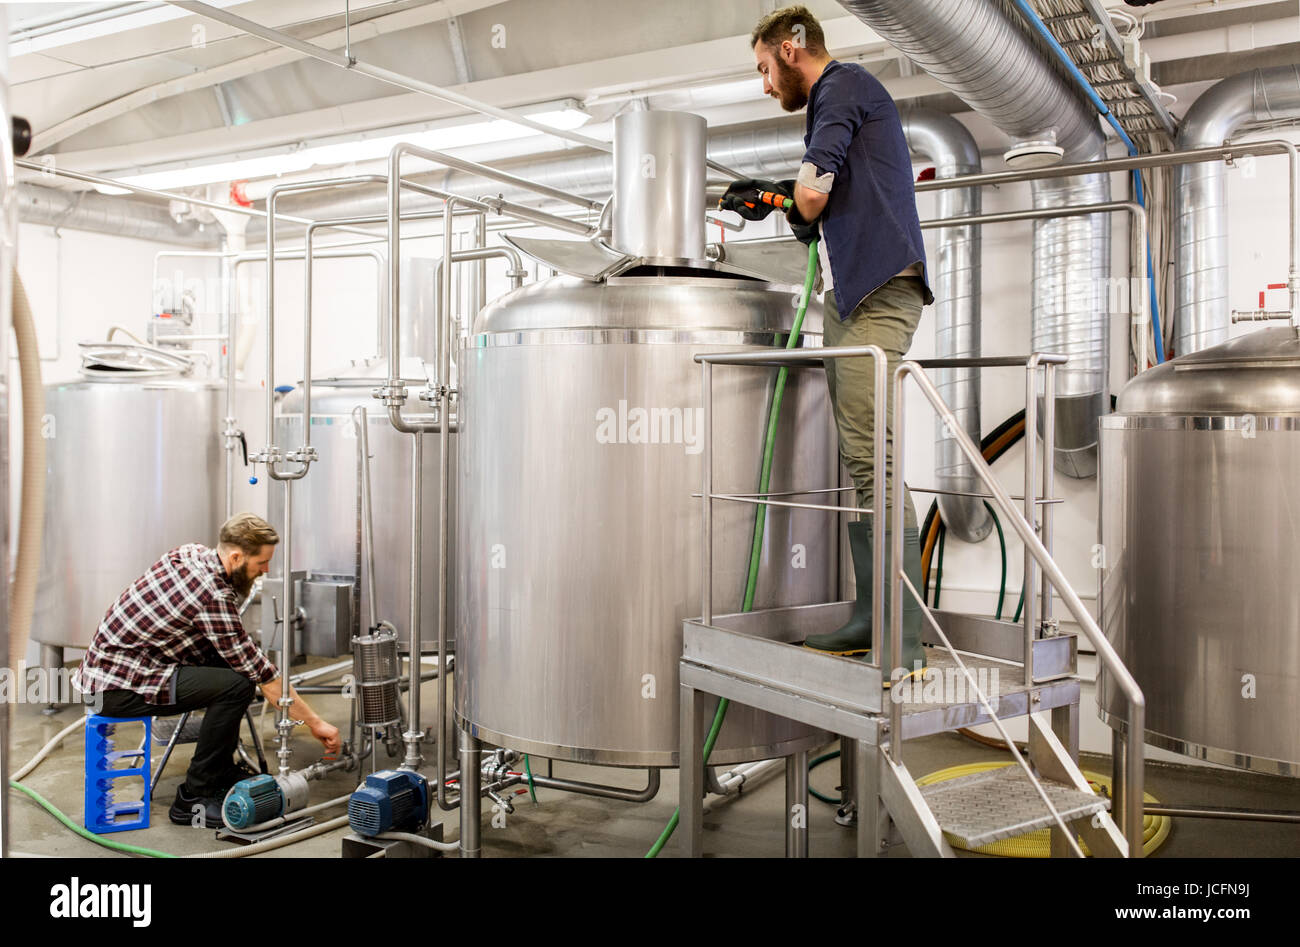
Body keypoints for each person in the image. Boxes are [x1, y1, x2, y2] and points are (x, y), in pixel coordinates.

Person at [722, 5, 933, 681]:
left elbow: (815, 195)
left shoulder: (840, 88)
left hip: (880, 295)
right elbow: (818, 204)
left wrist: (790, 199)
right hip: (852, 298)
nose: (763, 84)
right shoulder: (838, 101)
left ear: (792, 48)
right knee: (858, 455)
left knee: (874, 456)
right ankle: (872, 617)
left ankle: (903, 639)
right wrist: (785, 203)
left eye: (762, 67)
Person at [72, 513, 341, 827]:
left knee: (234, 672)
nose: (266, 571)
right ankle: (193, 797)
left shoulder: (191, 554)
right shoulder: (212, 593)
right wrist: (315, 723)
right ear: (236, 556)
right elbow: (263, 675)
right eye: (261, 563)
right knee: (239, 684)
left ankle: (220, 769)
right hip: (117, 688)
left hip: (129, 668)